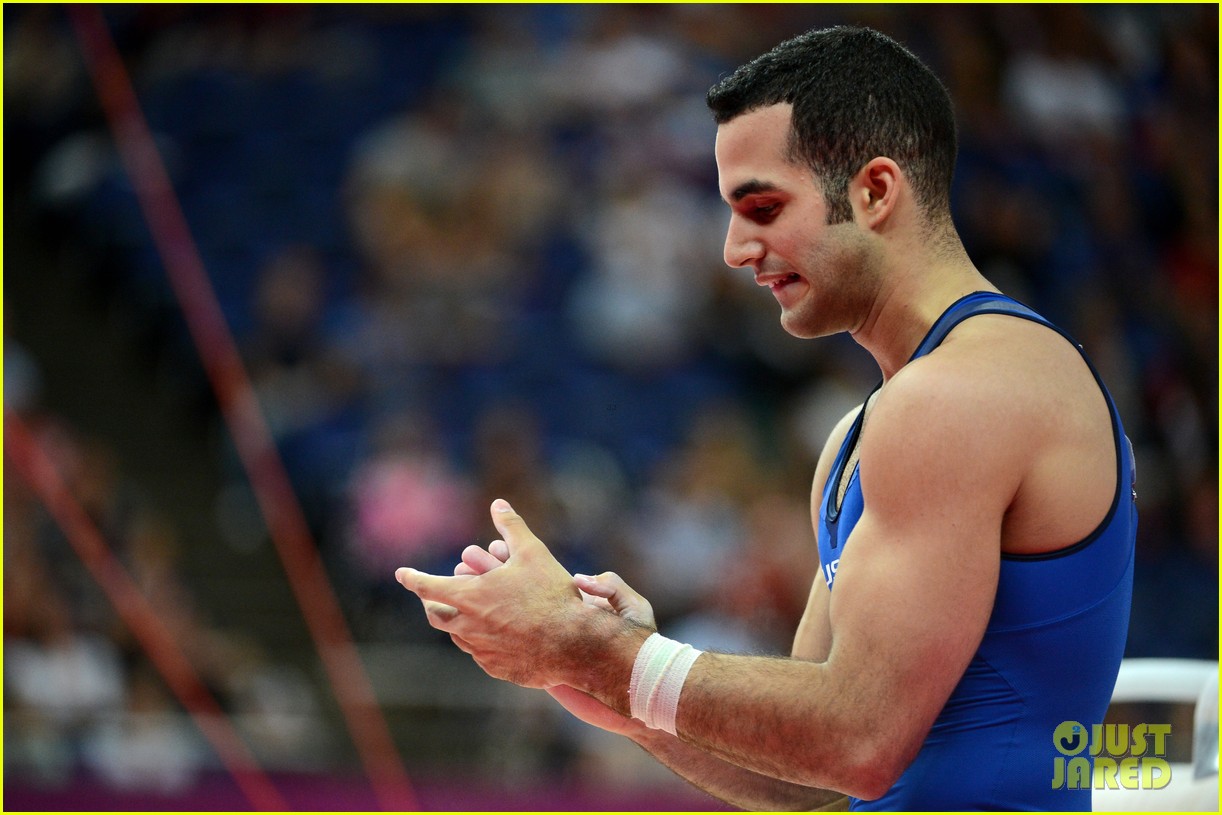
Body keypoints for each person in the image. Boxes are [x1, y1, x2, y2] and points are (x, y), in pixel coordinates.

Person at [396, 25, 1136, 811]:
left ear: (876, 191)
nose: (734, 248)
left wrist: (612, 654)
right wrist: (609, 680)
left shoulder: (959, 395)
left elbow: (860, 743)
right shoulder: (868, 429)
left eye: (762, 206)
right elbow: (805, 776)